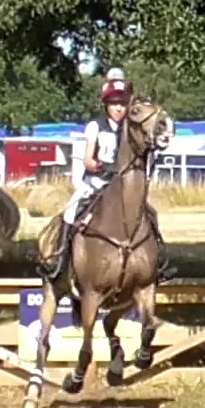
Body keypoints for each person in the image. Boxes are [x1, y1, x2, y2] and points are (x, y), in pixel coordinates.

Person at [45, 70, 132, 282]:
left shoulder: (131, 129)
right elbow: (88, 160)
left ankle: (156, 263)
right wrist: (104, 167)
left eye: (123, 103)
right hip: (95, 183)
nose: (119, 108)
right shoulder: (95, 127)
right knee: (71, 212)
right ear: (106, 105)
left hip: (121, 186)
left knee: (149, 213)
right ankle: (61, 260)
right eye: (114, 103)